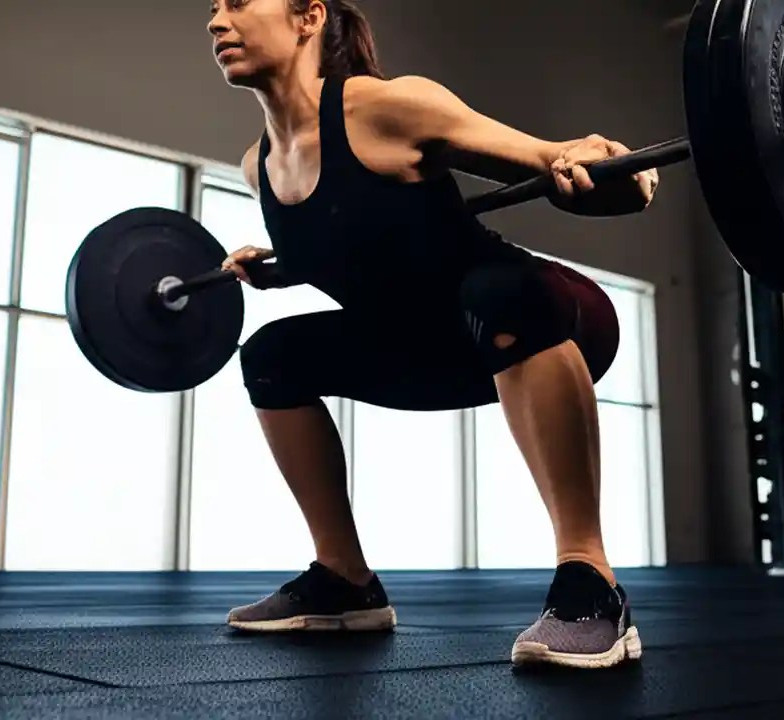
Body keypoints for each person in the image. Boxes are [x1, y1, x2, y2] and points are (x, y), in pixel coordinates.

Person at [208, 0, 658, 670]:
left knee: (494, 289)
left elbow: (556, 165)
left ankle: (591, 580)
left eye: (239, 2)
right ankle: (345, 582)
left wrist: (588, 162)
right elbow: (354, 244)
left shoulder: (388, 107)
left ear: (308, 17)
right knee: (273, 355)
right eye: (211, 7)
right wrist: (275, 271)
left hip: (544, 317)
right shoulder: (260, 165)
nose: (217, 20)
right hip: (426, 350)